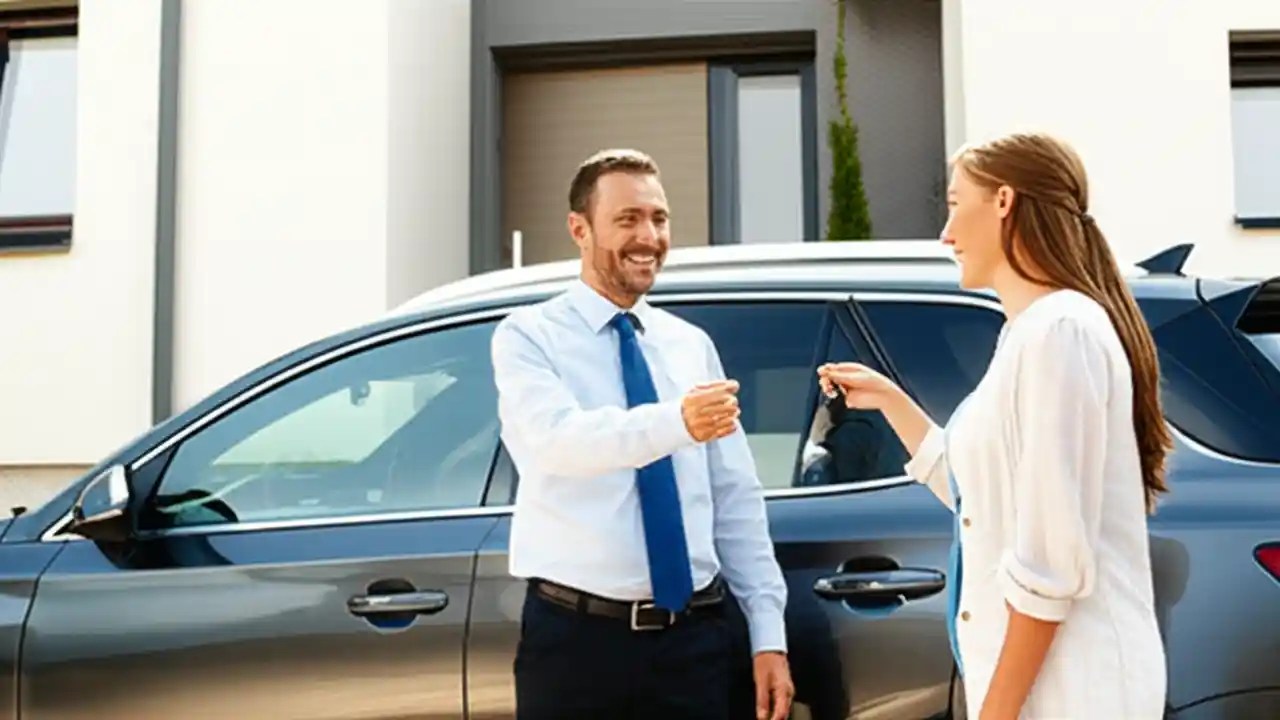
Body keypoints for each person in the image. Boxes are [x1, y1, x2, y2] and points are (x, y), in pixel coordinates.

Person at [819, 131, 1169, 719]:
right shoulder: (1032, 333)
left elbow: (1050, 565)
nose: (946, 233)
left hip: (1073, 694)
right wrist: (890, 401)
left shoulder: (1058, 332)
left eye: (956, 204)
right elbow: (978, 495)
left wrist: (996, 715)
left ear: (1003, 201)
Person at [491, 148, 794, 720]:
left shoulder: (690, 345)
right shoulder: (529, 337)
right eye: (627, 219)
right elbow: (556, 442)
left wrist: (767, 634)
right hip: (578, 647)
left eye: (659, 218)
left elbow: (735, 499)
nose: (648, 236)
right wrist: (675, 422)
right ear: (579, 229)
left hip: (695, 644)